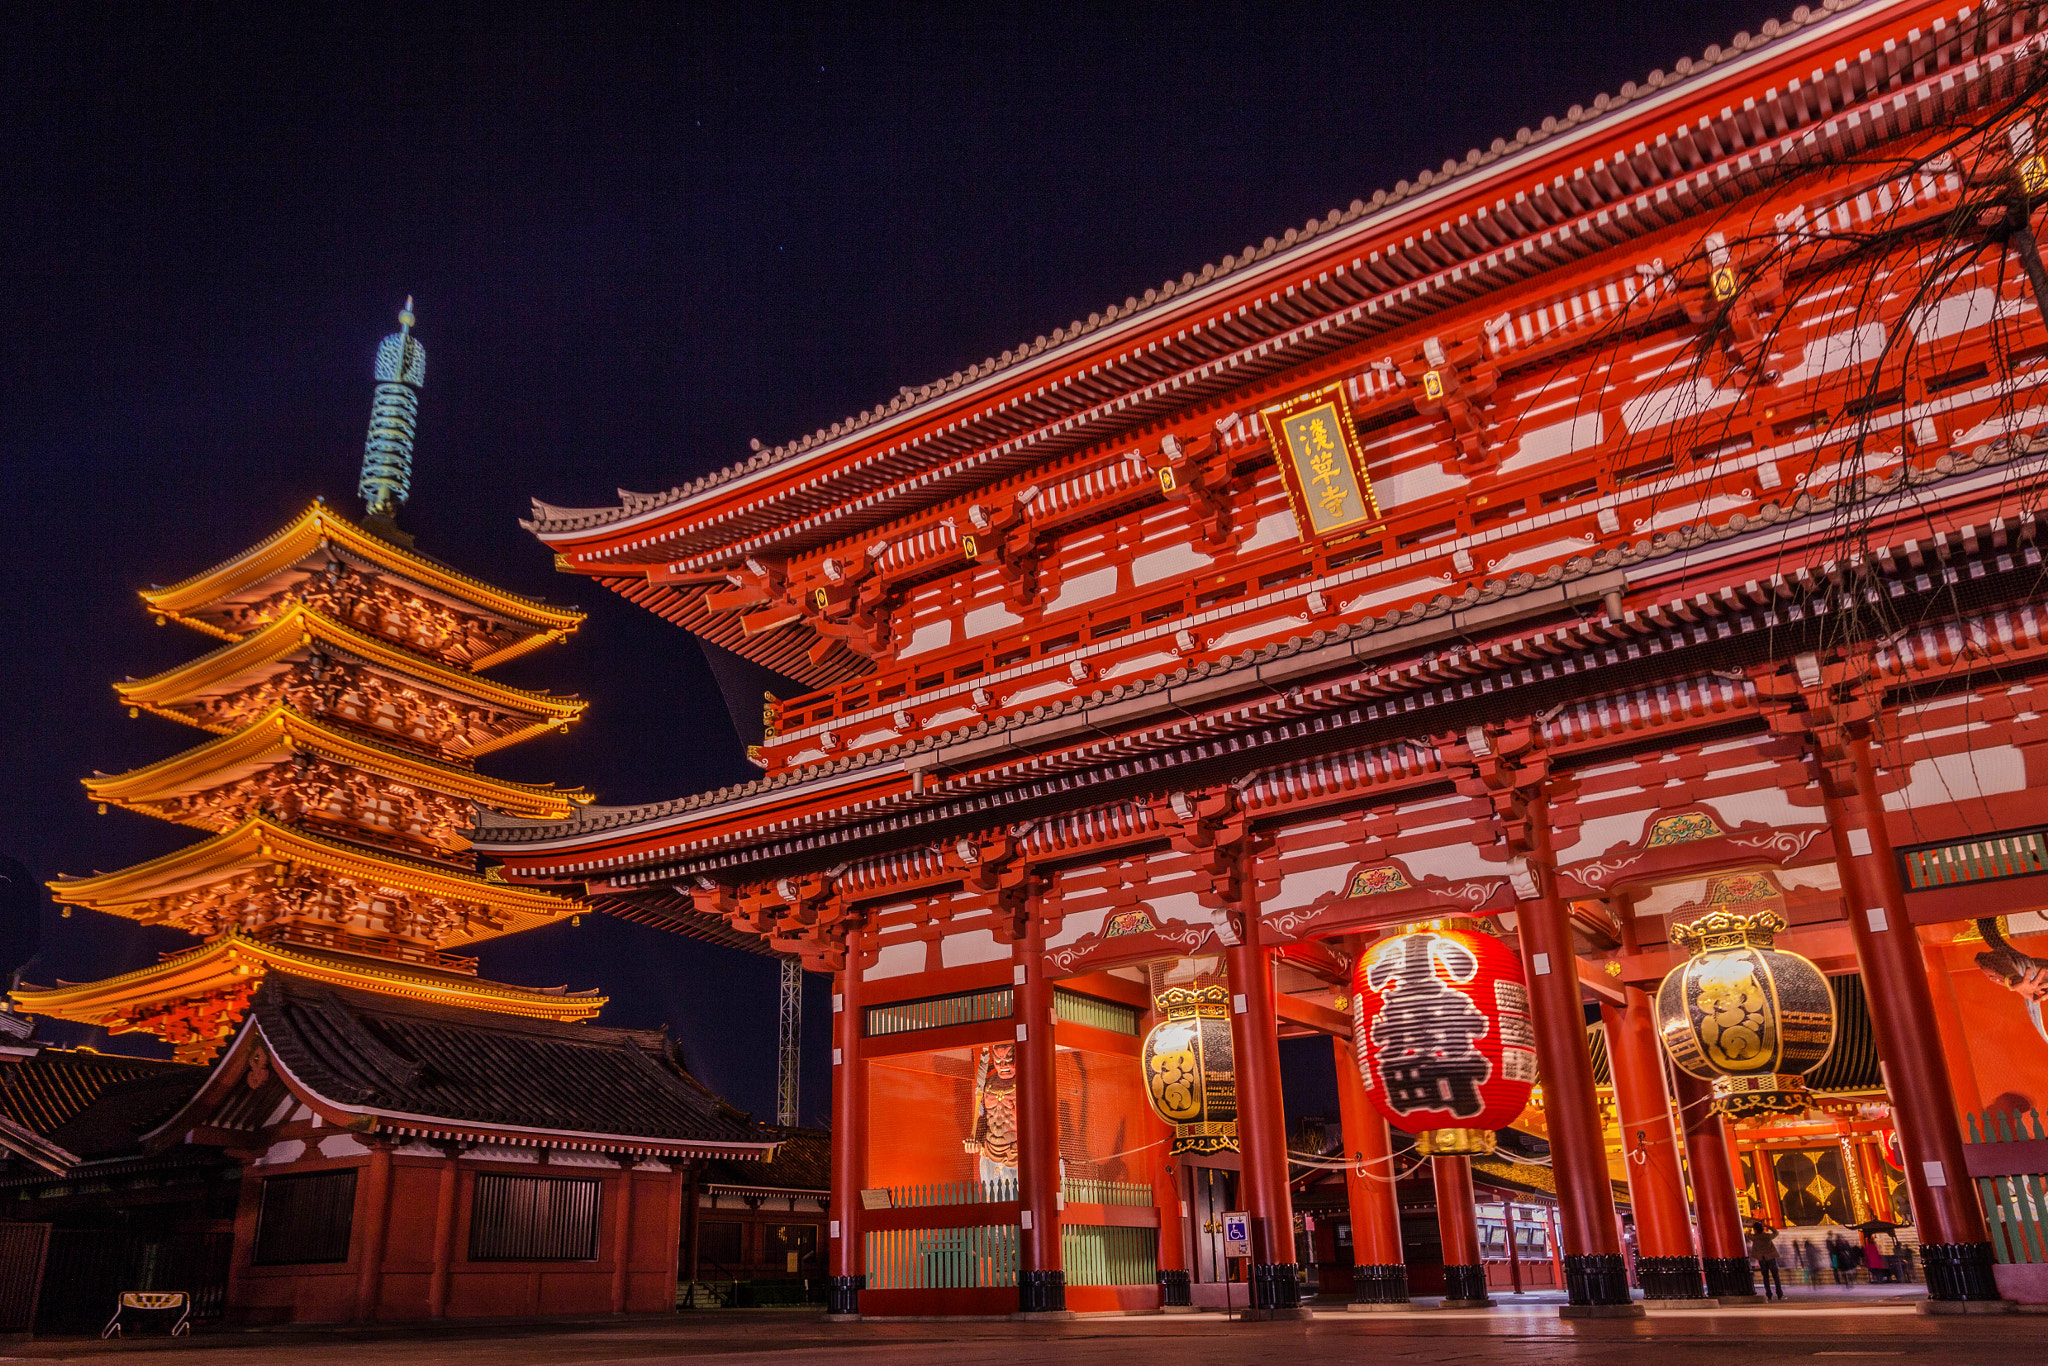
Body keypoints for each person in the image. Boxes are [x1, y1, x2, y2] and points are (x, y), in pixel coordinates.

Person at [1748, 1221, 1784, 1300]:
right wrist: (1768, 1226)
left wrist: (1750, 1228)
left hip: (1762, 1259)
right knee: (1776, 1276)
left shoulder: (1754, 1238)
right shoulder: (1767, 1236)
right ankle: (1779, 1294)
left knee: (1765, 1277)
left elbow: (1747, 1235)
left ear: (1755, 1229)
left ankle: (1769, 1294)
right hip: (1771, 1257)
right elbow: (1776, 1232)